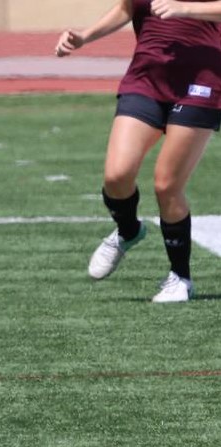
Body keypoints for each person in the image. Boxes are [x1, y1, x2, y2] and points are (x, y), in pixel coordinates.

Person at [55, 0, 221, 302]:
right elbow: (127, 8)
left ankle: (180, 278)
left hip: (200, 81)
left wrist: (184, 9)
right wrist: (84, 36)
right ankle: (128, 230)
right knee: (117, 176)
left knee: (166, 185)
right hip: (146, 78)